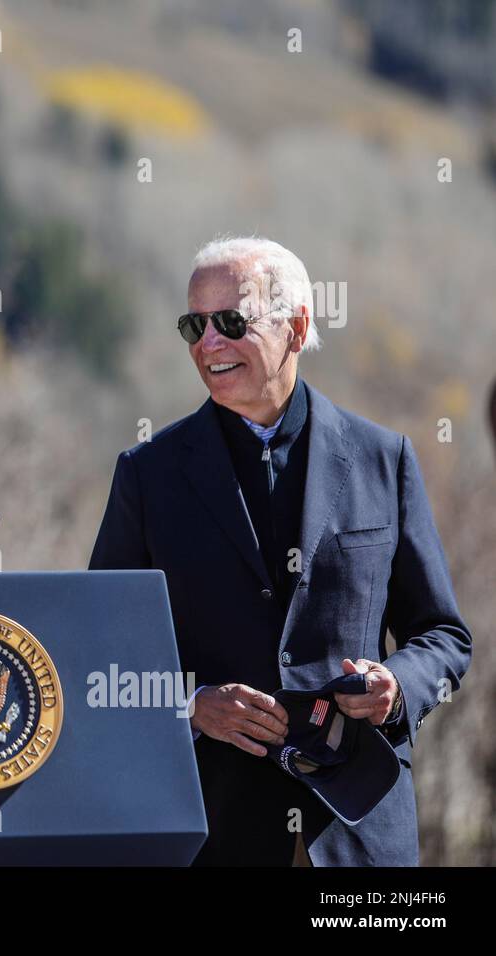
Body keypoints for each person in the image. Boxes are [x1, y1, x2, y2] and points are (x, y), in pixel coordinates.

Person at [89, 237, 472, 865]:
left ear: (296, 328)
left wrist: (395, 686)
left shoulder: (386, 459)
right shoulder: (146, 474)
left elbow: (442, 636)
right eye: (194, 325)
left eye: (231, 322)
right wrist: (192, 705)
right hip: (209, 830)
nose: (208, 343)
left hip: (360, 832)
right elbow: (98, 650)